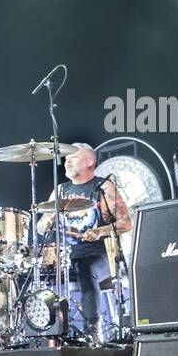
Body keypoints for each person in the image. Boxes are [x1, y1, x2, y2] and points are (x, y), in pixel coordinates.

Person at [35, 143, 132, 341]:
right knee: (35, 272)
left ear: (89, 161)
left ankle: (92, 329)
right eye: (66, 158)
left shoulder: (102, 186)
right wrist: (47, 221)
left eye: (73, 157)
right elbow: (40, 227)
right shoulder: (60, 191)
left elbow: (125, 223)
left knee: (86, 269)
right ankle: (46, 331)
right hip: (66, 255)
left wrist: (99, 231)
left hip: (99, 253)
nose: (67, 161)